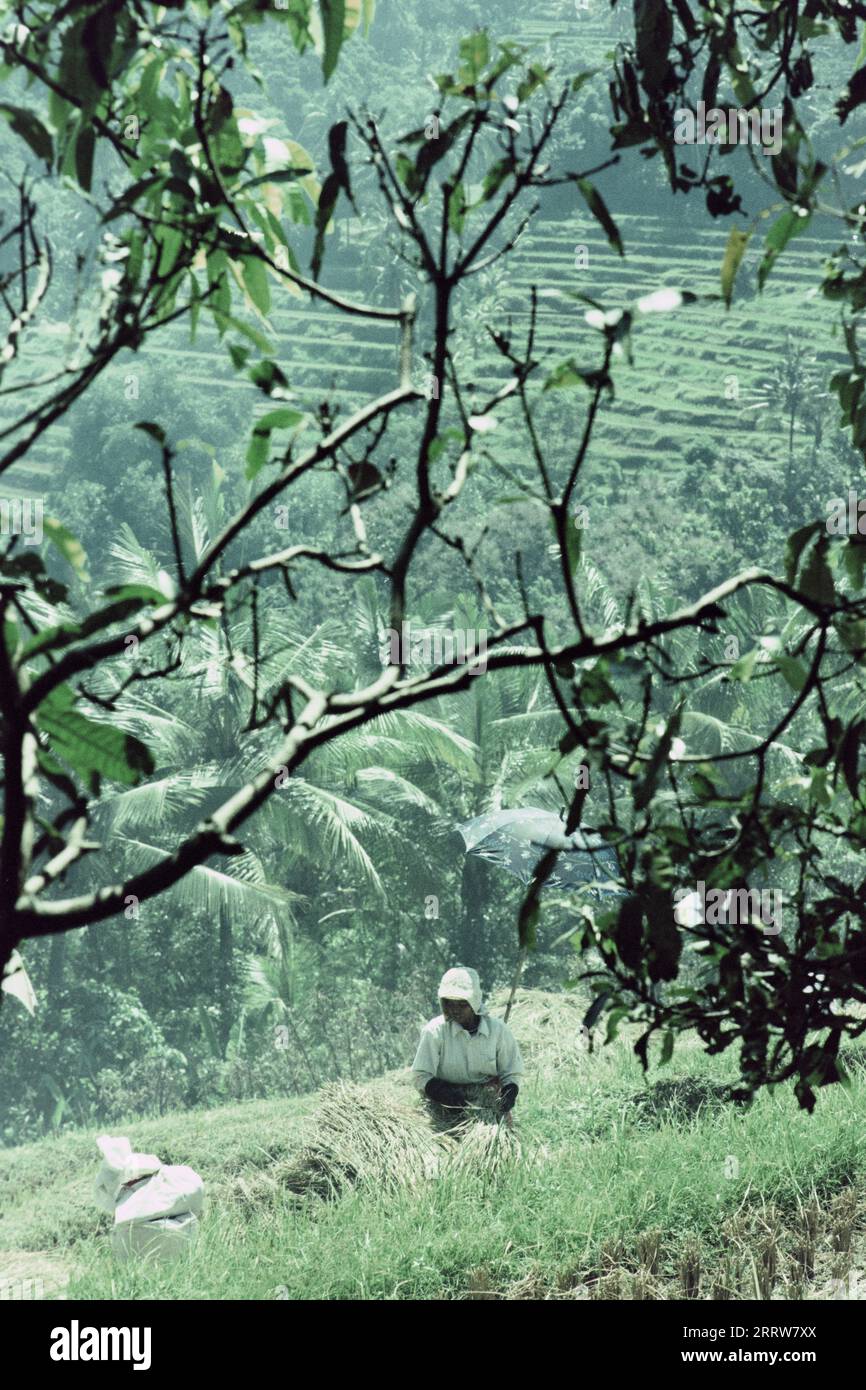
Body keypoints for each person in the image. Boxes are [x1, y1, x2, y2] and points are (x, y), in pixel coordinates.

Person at [412, 966, 524, 1127]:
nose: (455, 1010)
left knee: (495, 1140)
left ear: (474, 1001)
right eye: (449, 1004)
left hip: (487, 1102)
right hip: (443, 1104)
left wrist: (509, 1092)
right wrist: (441, 1092)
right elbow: (420, 1075)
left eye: (462, 1005)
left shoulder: (498, 1031)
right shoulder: (434, 1031)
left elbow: (511, 1072)